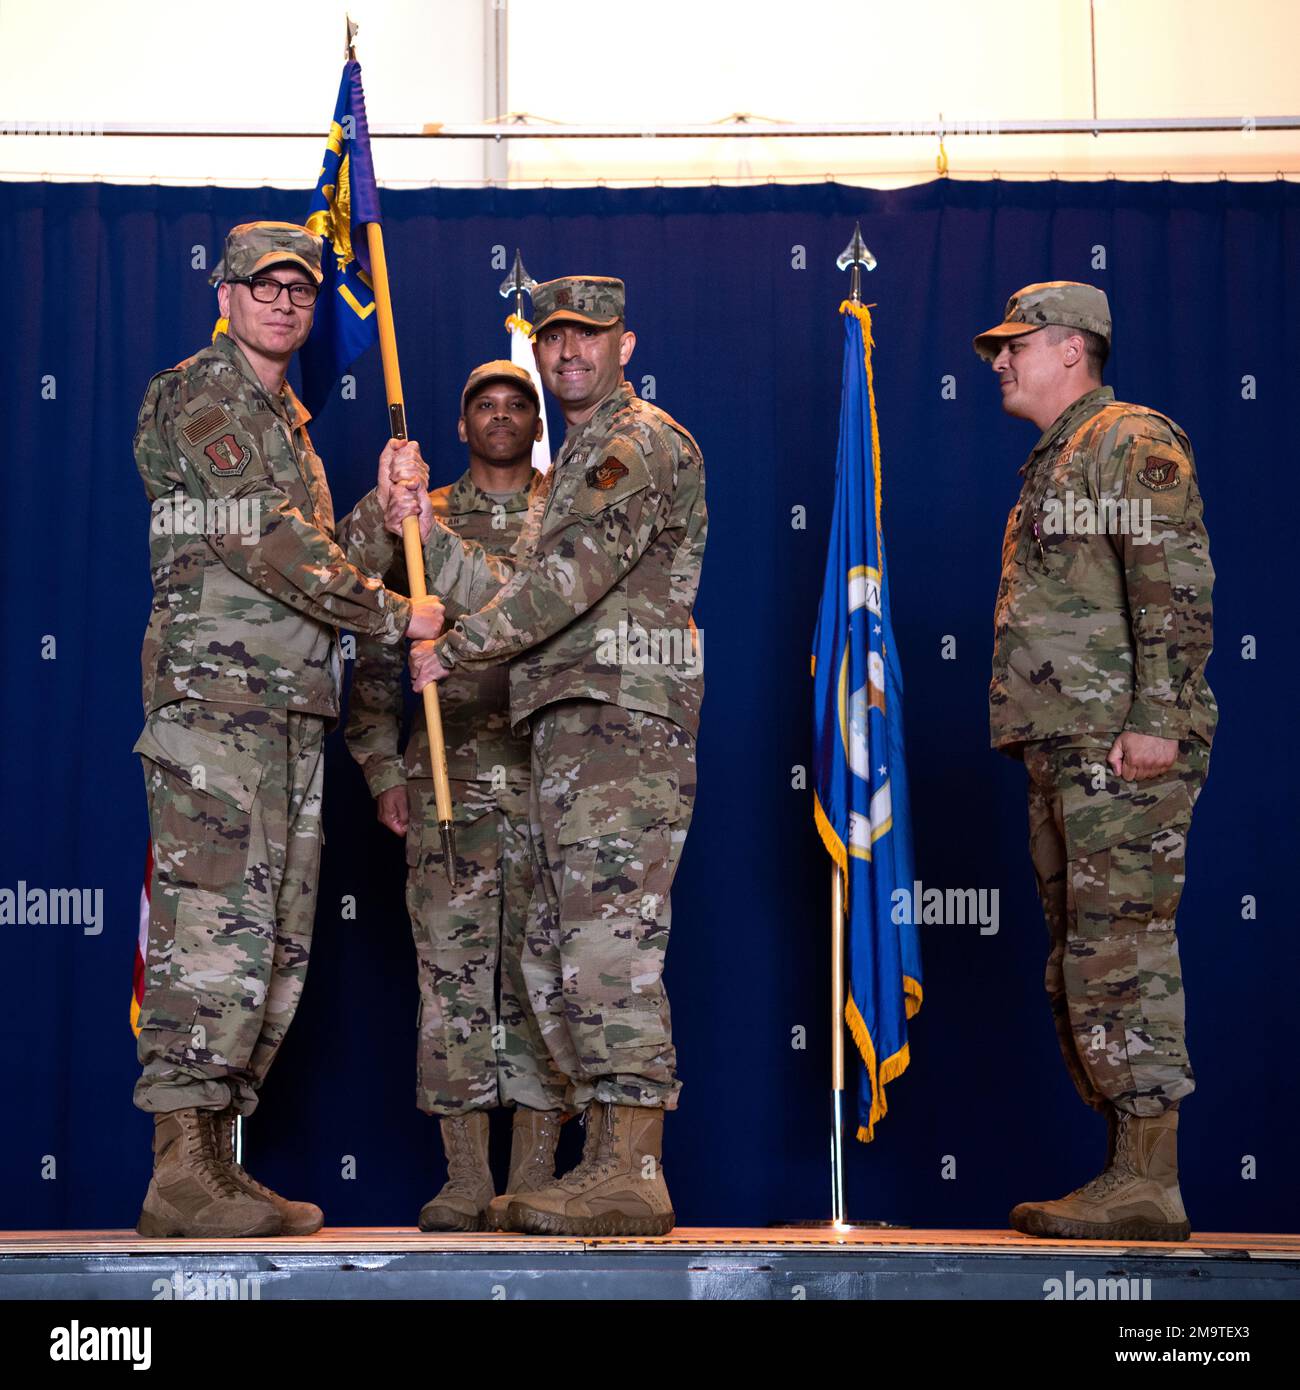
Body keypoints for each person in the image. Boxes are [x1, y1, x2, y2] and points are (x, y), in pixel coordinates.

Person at [349, 275, 706, 1236]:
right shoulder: (585, 453)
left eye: (588, 337)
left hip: (619, 721)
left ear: (624, 344)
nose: (568, 354)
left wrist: (452, 649)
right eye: (553, 340)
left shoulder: (630, 444)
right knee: (565, 950)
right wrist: (421, 530)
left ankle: (631, 1169)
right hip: (572, 727)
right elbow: (520, 581)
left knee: (608, 946)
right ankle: (605, 1166)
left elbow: (560, 586)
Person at [132, 221, 444, 1238]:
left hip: (287, 711)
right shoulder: (202, 395)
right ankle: (177, 1167)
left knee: (268, 947)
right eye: (262, 285)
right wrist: (398, 614)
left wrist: (384, 508)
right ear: (222, 294)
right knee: (210, 938)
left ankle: (217, 1165)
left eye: (299, 288)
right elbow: (266, 547)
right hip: (216, 710)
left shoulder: (288, 422)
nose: (282, 301)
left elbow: (312, 551)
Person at [975, 281, 1216, 1241]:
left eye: (1016, 345)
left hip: (1125, 744)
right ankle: (1128, 1170)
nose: (1000, 361)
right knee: (1085, 956)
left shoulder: (1129, 439)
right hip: (1070, 744)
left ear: (1072, 348)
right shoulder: (1056, 458)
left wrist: (1157, 714)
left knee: (1123, 953)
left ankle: (1150, 1177)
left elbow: (1173, 585)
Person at [345, 361, 568, 1231]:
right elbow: (371, 647)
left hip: (557, 777)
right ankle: (469, 1178)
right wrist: (379, 767)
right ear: (464, 423)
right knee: (454, 978)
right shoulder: (418, 516)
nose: (503, 417)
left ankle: (539, 1176)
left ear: (536, 422)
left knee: (550, 976)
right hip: (450, 778)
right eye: (486, 406)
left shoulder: (570, 509)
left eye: (520, 405)